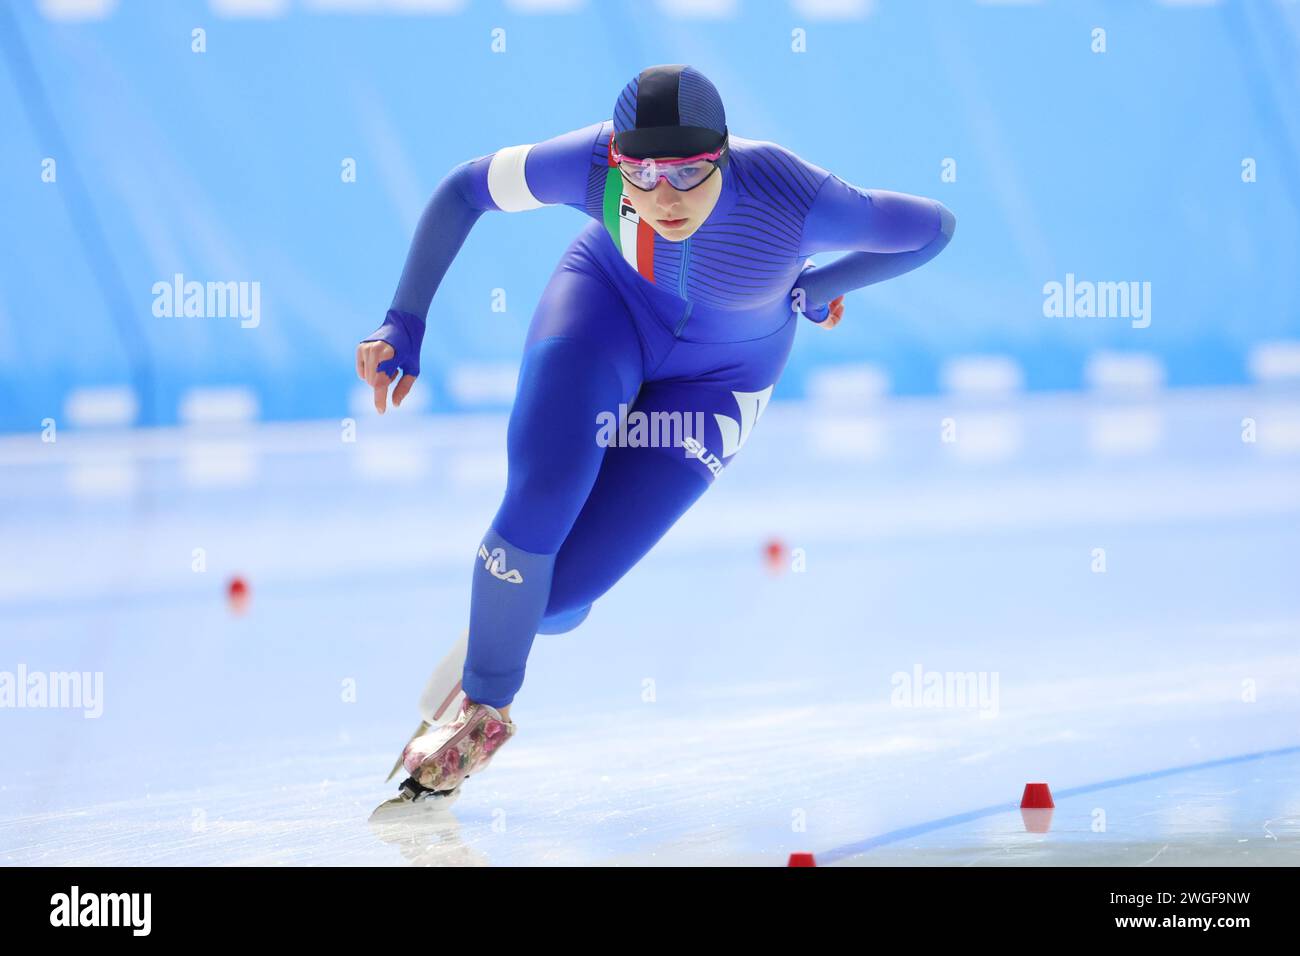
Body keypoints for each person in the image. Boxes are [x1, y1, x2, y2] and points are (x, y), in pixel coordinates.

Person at [357, 64, 955, 803]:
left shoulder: (797, 196)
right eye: (641, 175)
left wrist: (824, 285)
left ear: (724, 155)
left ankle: (512, 619)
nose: (662, 197)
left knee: (560, 595)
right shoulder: (588, 163)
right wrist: (405, 319)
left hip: (721, 380)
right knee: (543, 494)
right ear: (615, 159)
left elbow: (932, 228)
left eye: (687, 174)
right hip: (605, 311)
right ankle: (485, 711)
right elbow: (463, 191)